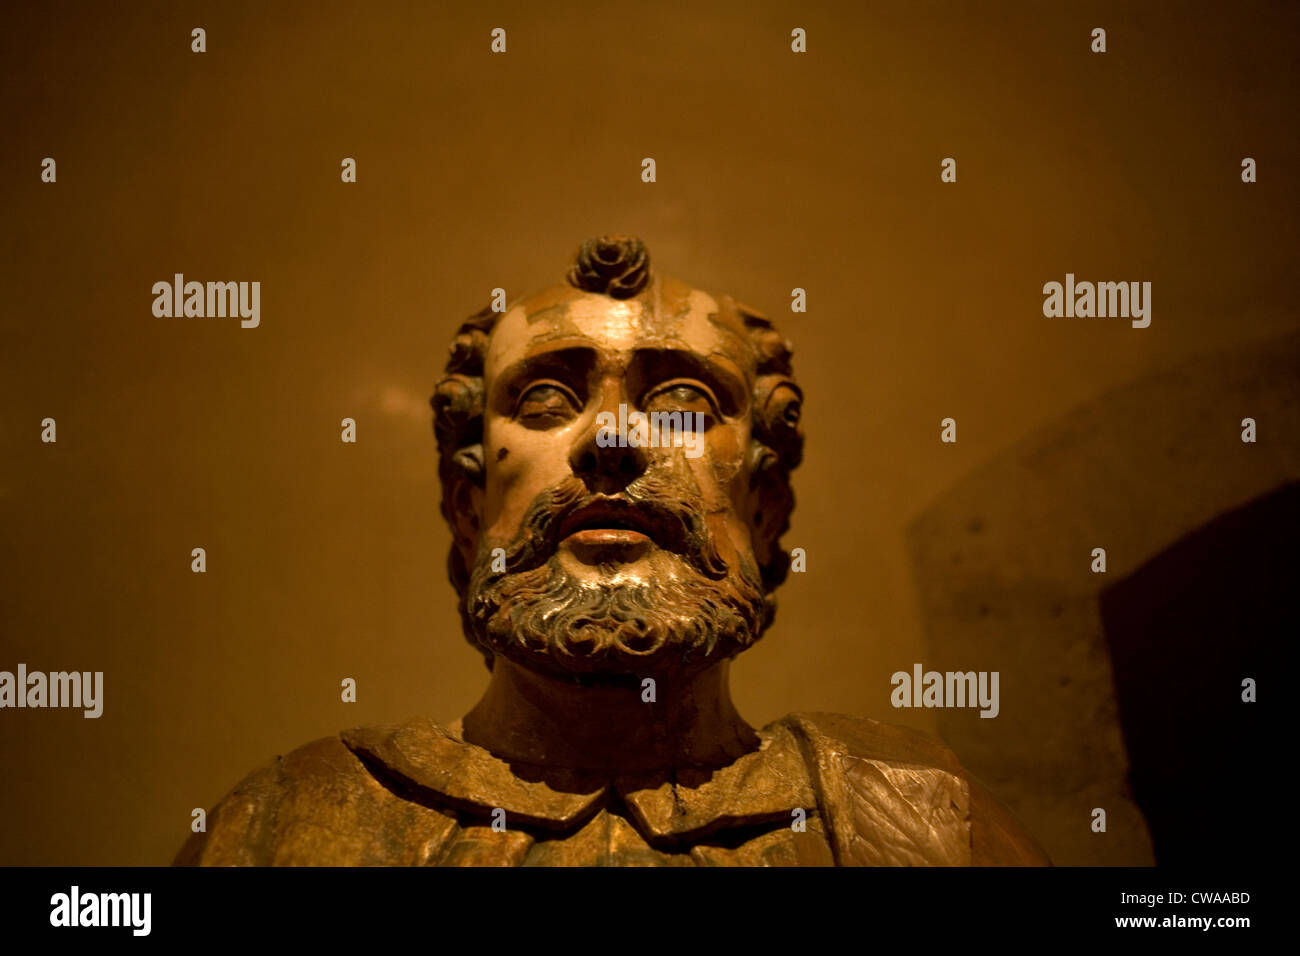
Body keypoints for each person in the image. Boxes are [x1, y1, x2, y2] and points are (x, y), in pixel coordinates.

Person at [175, 236, 1048, 866]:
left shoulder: (924, 820)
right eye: (548, 401)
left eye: (680, 402)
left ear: (768, 510)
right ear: (469, 510)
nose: (616, 441)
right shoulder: (284, 828)